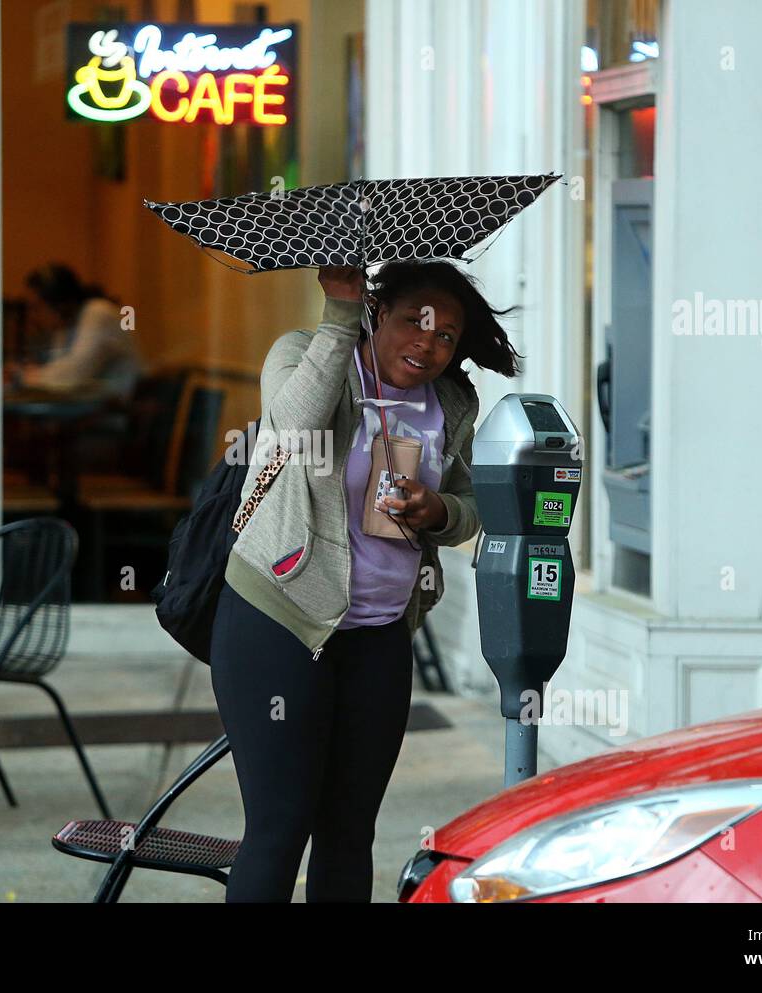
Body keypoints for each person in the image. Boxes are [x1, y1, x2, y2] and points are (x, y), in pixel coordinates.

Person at [211, 260, 521, 902]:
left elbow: (469, 505)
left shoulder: (453, 401)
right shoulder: (304, 353)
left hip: (379, 632)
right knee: (279, 826)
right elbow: (293, 430)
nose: (429, 344)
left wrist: (439, 511)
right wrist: (339, 313)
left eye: (446, 334)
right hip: (283, 618)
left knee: (350, 831)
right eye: (415, 321)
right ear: (380, 313)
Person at [13, 264, 141, 397]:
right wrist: (30, 373)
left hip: (125, 406)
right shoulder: (65, 324)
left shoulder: (99, 312)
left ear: (59, 303)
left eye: (37, 307)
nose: (33, 316)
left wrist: (25, 377)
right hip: (97, 404)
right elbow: (59, 370)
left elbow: (75, 373)